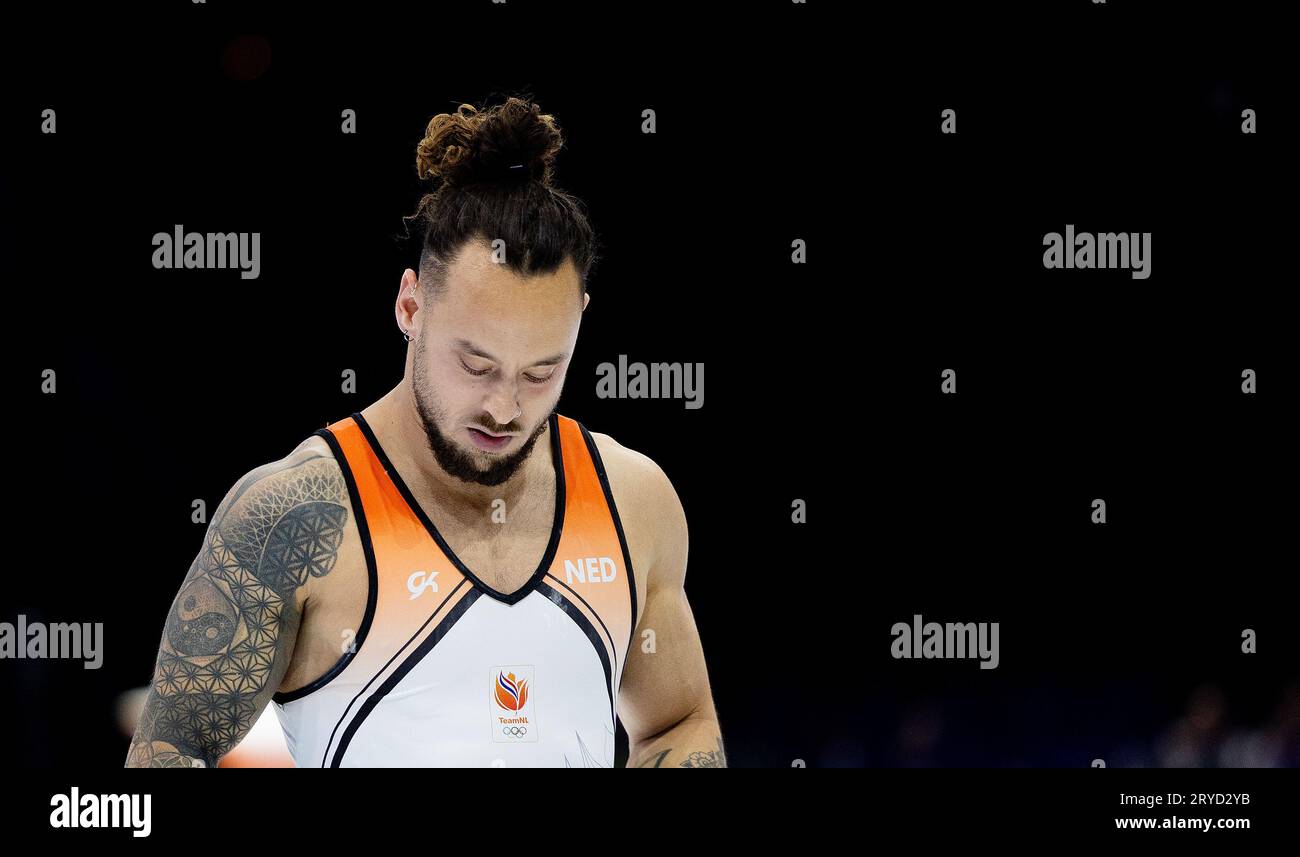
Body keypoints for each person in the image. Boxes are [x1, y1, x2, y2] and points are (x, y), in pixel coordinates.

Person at [125, 96, 723, 768]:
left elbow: (679, 722)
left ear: (581, 321)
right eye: (476, 364)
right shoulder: (294, 518)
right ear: (411, 305)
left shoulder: (634, 501)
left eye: (540, 372)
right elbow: (165, 757)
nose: (504, 407)